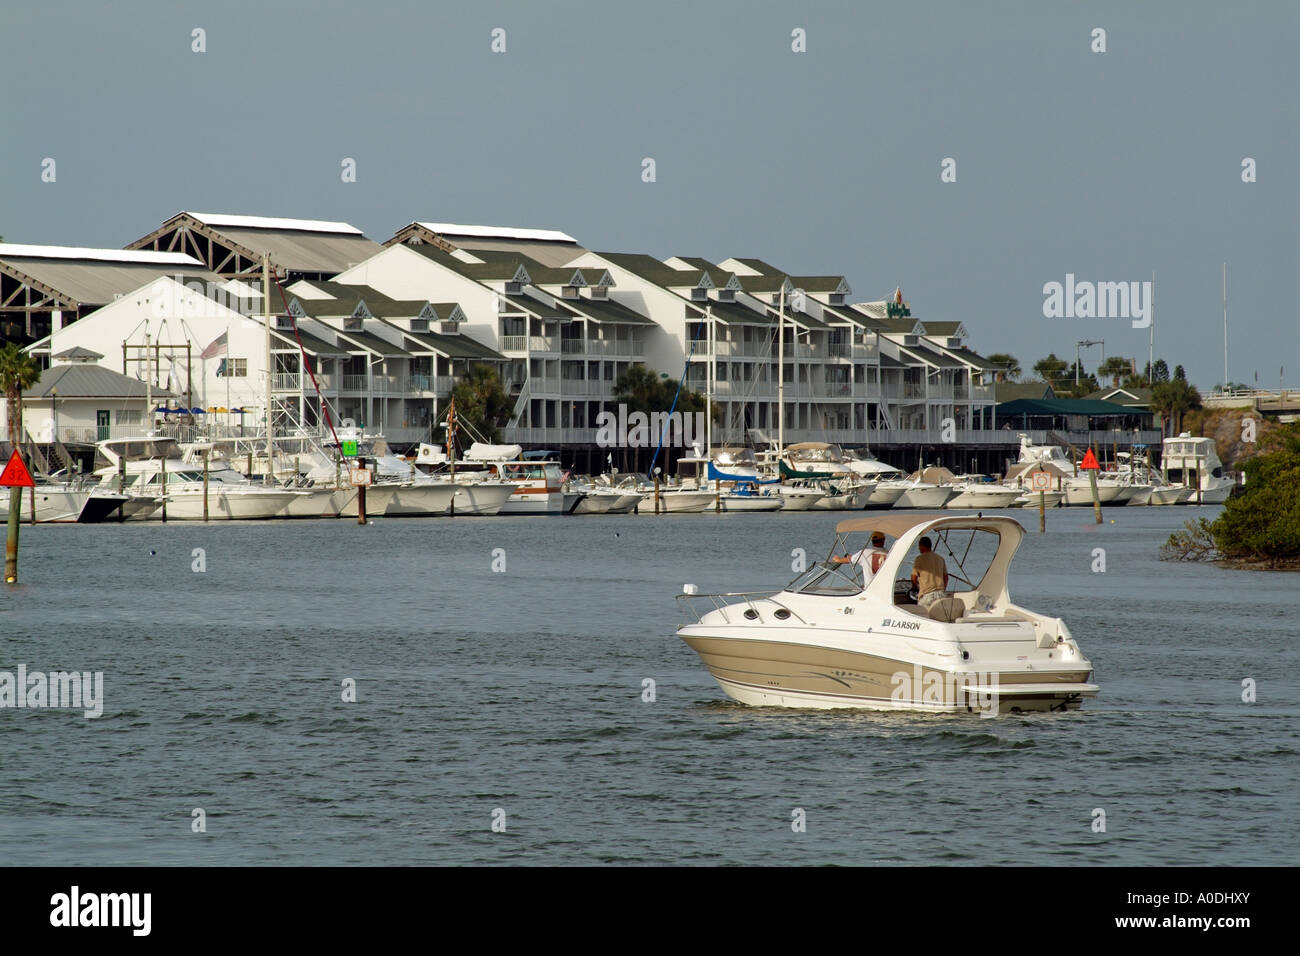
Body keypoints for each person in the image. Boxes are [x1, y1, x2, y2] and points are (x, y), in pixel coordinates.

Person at [910, 536, 949, 608]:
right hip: (941, 595)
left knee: (920, 616)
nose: (918, 548)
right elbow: (946, 578)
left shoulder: (919, 559)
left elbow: (913, 578)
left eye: (919, 546)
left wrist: (915, 588)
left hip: (927, 596)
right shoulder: (940, 558)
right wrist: (942, 590)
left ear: (922, 546)